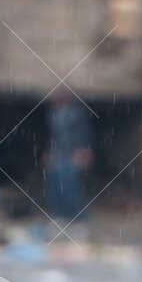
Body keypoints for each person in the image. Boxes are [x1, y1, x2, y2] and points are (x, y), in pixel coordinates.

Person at [44, 87, 94, 222]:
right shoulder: (54, 114)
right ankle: (60, 215)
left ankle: (79, 218)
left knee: (71, 186)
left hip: (72, 155)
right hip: (59, 155)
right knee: (55, 185)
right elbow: (54, 137)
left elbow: (83, 135)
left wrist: (83, 152)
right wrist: (51, 153)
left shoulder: (77, 114)